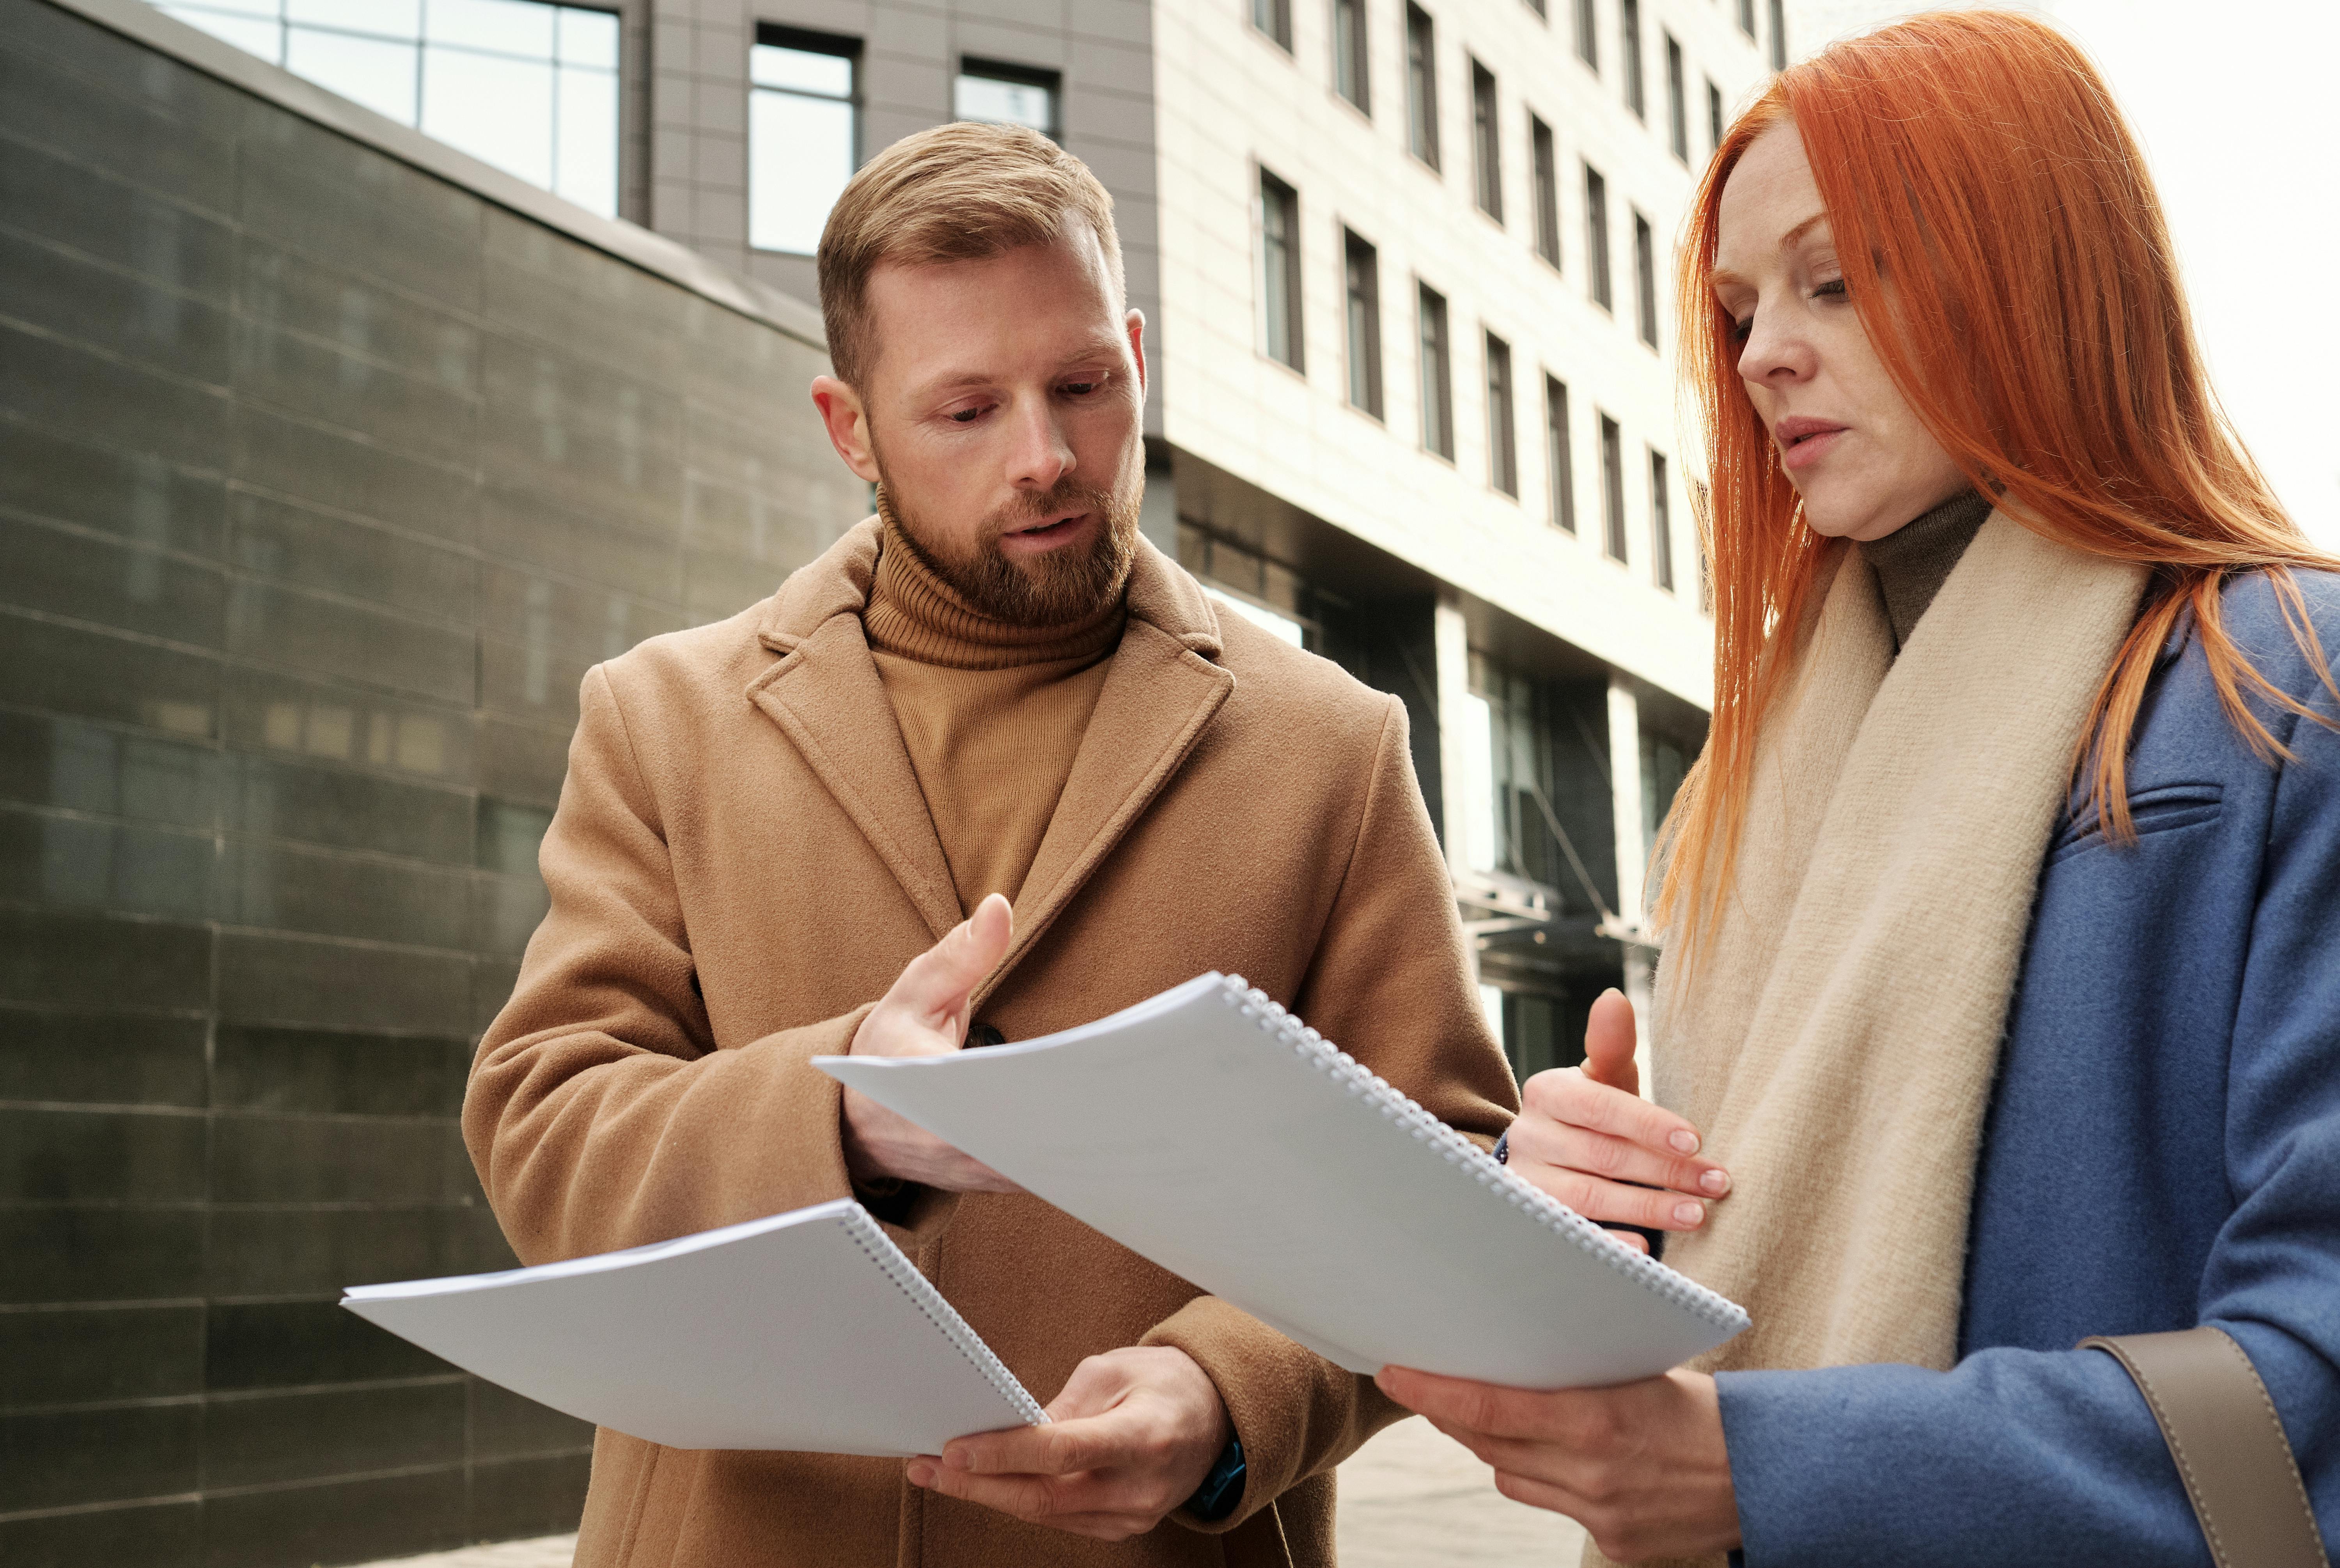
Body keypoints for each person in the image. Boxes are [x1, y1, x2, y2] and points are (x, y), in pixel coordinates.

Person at [462, 121, 1517, 1568]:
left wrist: (1230, 1395)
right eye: (967, 411)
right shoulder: (661, 719)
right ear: (851, 429)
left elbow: (1447, 1172)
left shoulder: (1333, 744)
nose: (1048, 457)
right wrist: (841, 1121)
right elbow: (543, 1127)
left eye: (1084, 386)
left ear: (1136, 353)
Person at [1374, 12, 2340, 1566]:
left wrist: (1766, 1467)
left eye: (1837, 278)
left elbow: (2317, 1371)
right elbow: (1742, 1233)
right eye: (1743, 306)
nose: (1760, 353)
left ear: (2036, 269)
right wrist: (1579, 1197)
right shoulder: (1753, 773)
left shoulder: (2283, 679)